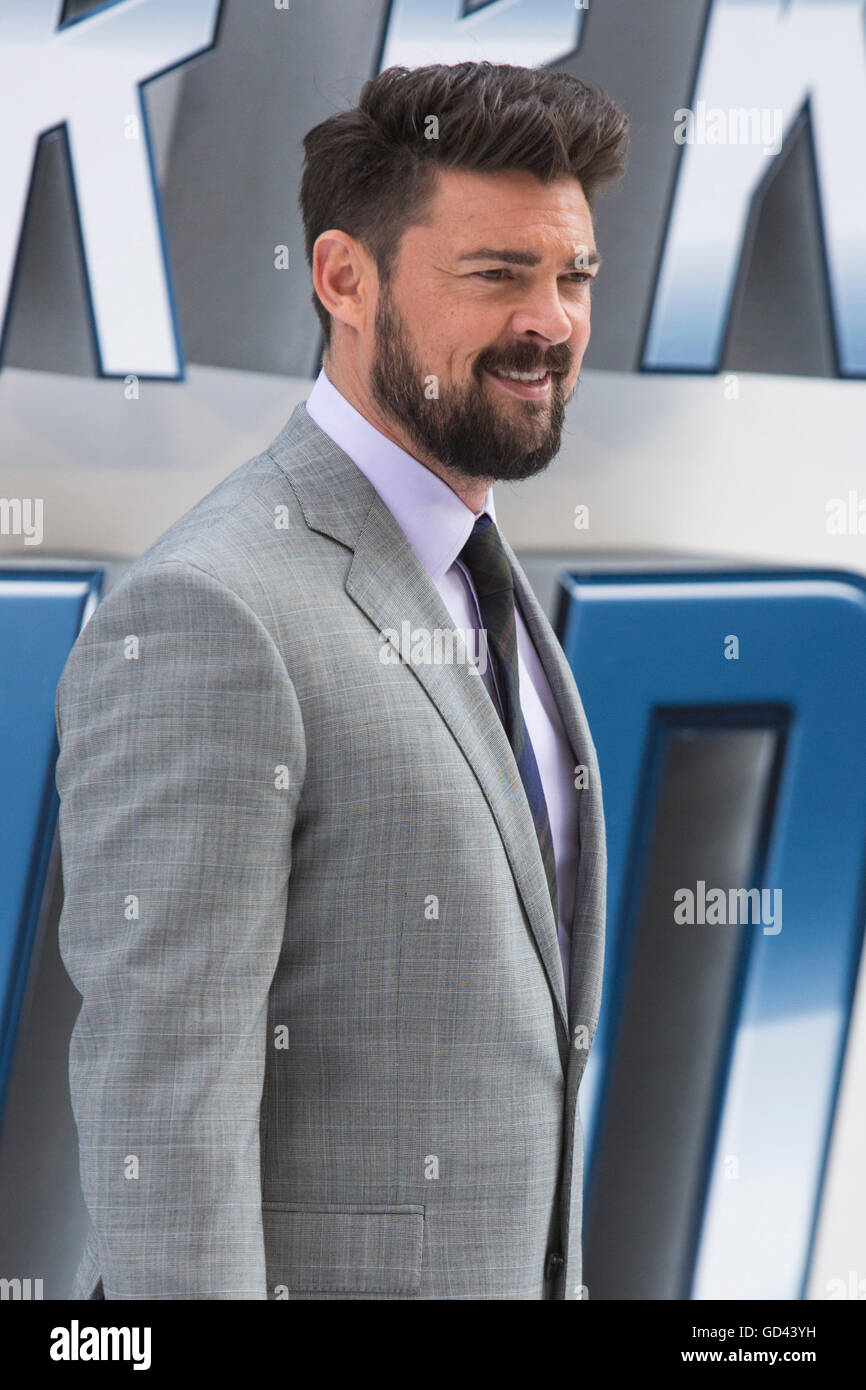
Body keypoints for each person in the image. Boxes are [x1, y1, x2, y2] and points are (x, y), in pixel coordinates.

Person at [55, 60, 628, 1300]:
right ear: (342, 279)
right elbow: (165, 1125)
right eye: (496, 275)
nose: (551, 321)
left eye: (571, 274)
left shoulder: (479, 576)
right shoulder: (213, 612)